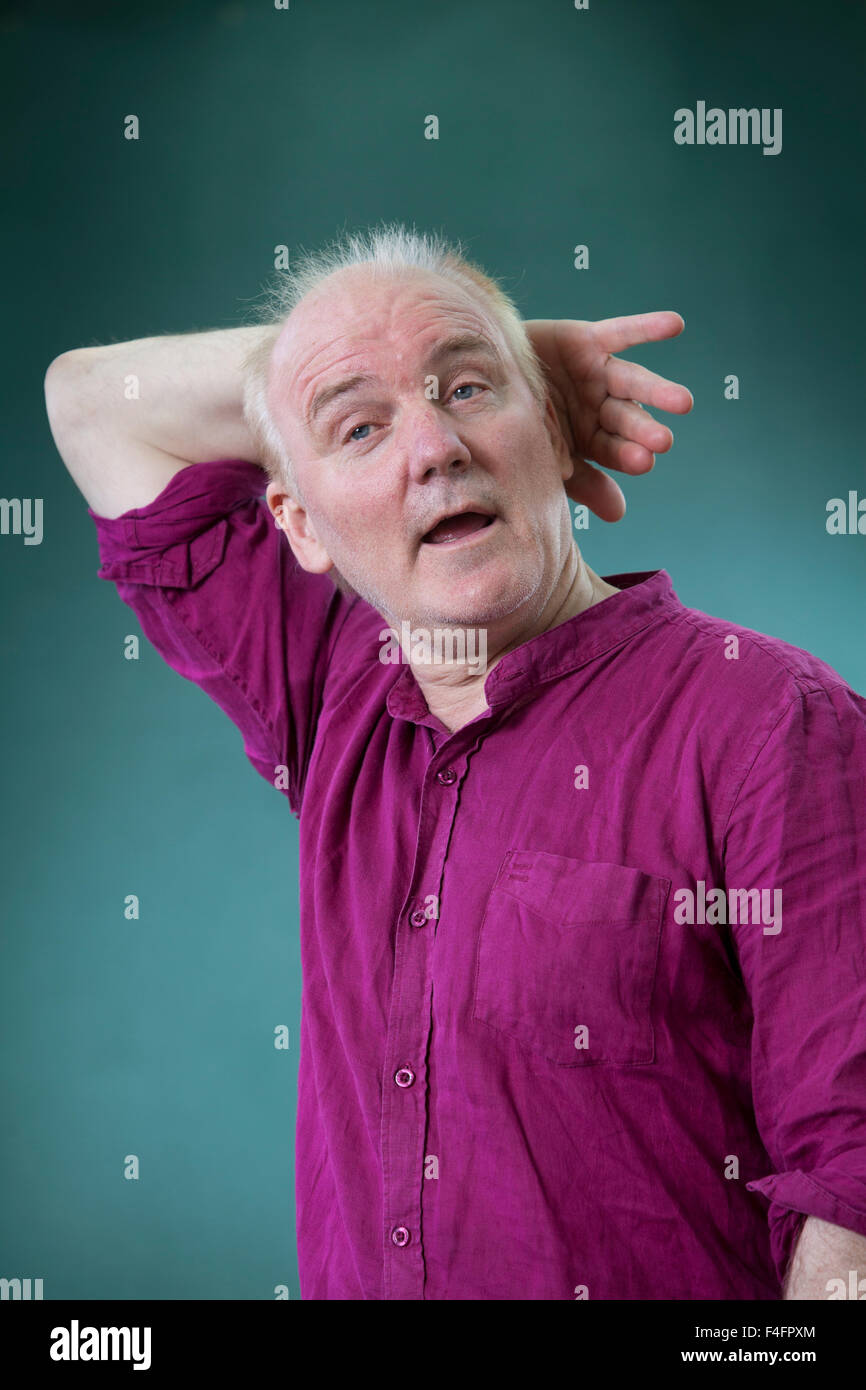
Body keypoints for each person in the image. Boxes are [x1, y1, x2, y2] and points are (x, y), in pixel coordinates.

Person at [44, 224, 866, 1301]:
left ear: (554, 433)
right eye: (361, 427)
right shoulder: (332, 690)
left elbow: (848, 1188)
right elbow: (93, 402)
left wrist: (442, 362)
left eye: (472, 392)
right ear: (300, 522)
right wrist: (470, 345)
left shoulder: (772, 722)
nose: (431, 447)